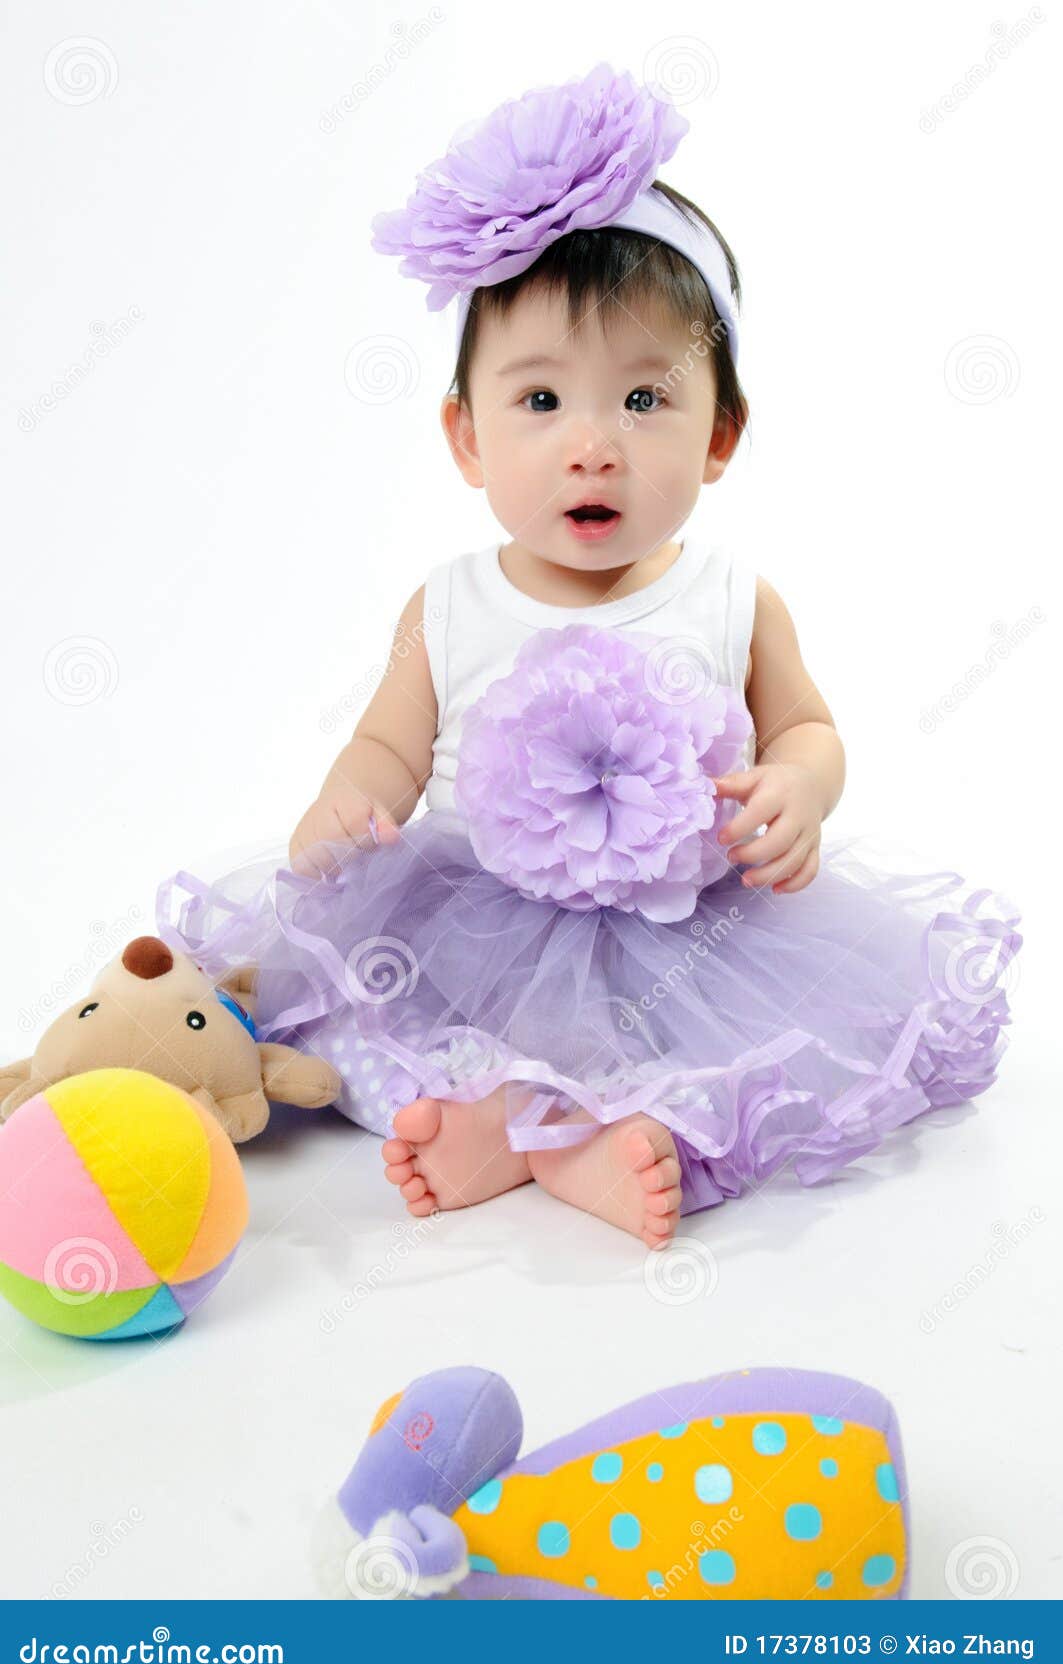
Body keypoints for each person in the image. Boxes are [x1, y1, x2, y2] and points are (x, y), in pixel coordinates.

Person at [157, 64, 1021, 1250]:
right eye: (542, 399)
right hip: (481, 920)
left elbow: (808, 729)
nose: (593, 447)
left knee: (715, 1065)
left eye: (645, 400)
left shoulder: (732, 595)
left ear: (720, 434)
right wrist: (341, 818)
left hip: (693, 936)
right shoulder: (449, 604)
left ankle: (586, 1149)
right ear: (467, 435)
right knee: (382, 1021)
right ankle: (506, 1126)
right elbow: (386, 746)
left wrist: (796, 788)